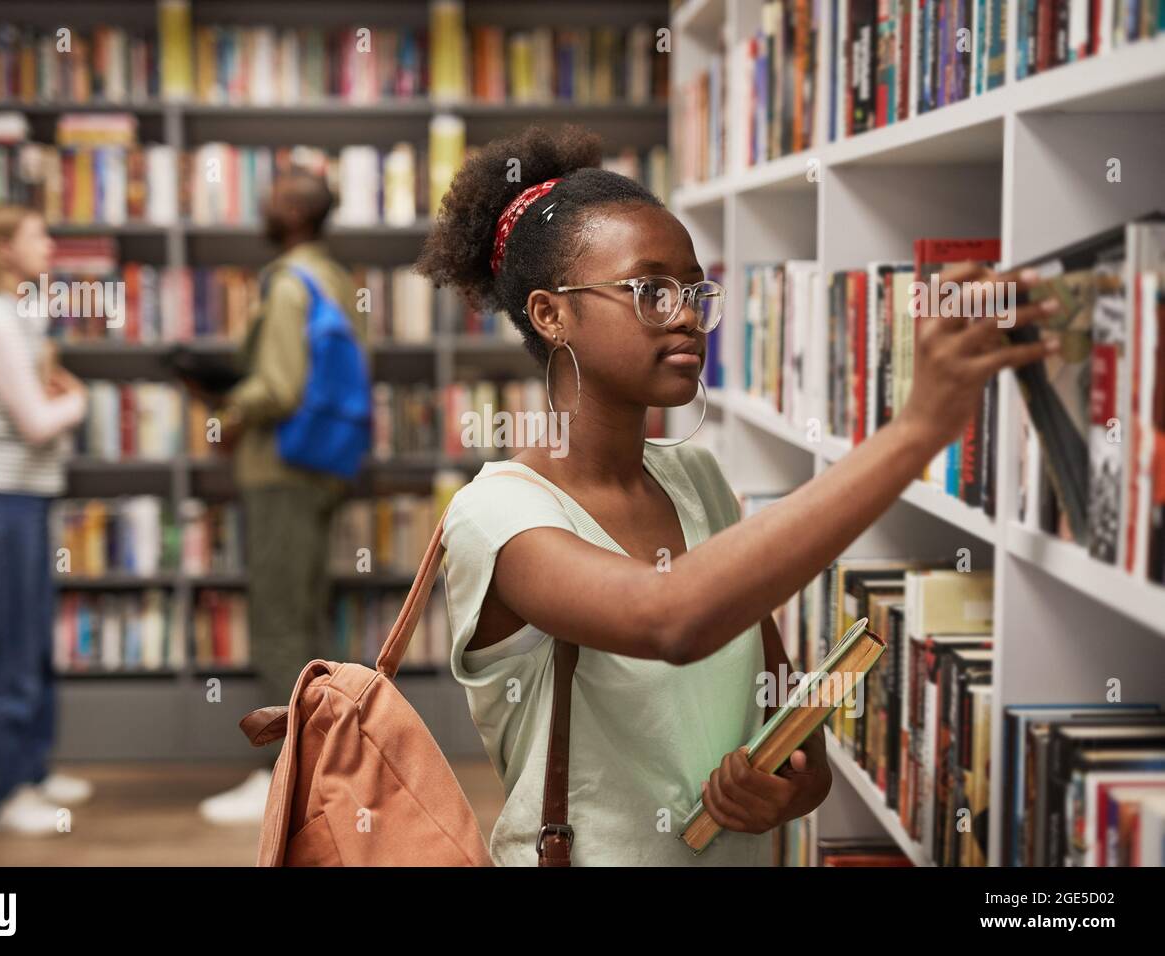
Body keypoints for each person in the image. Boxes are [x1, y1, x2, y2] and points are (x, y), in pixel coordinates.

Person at [415, 126, 1059, 866]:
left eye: (694, 290)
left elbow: (783, 712)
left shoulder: (697, 480)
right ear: (551, 313)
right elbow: (669, 618)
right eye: (651, 291)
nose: (687, 314)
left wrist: (793, 782)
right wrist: (915, 432)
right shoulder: (496, 516)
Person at [198, 168, 360, 825]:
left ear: (293, 210)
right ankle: (317, 773)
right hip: (322, 466)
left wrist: (225, 412)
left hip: (282, 468)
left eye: (271, 194)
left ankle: (284, 778)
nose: (261, 203)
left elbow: (281, 386)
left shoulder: (289, 283)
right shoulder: (338, 278)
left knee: (279, 623)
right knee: (305, 615)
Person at [0, 206, 93, 835]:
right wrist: (80, 404)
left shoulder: (18, 315)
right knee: (8, 647)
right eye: (39, 235)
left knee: (33, 642)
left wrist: (56, 399)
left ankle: (33, 771)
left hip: (27, 497)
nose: (50, 244)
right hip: (1, 499)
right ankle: (5, 791)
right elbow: (37, 421)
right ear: (5, 249)